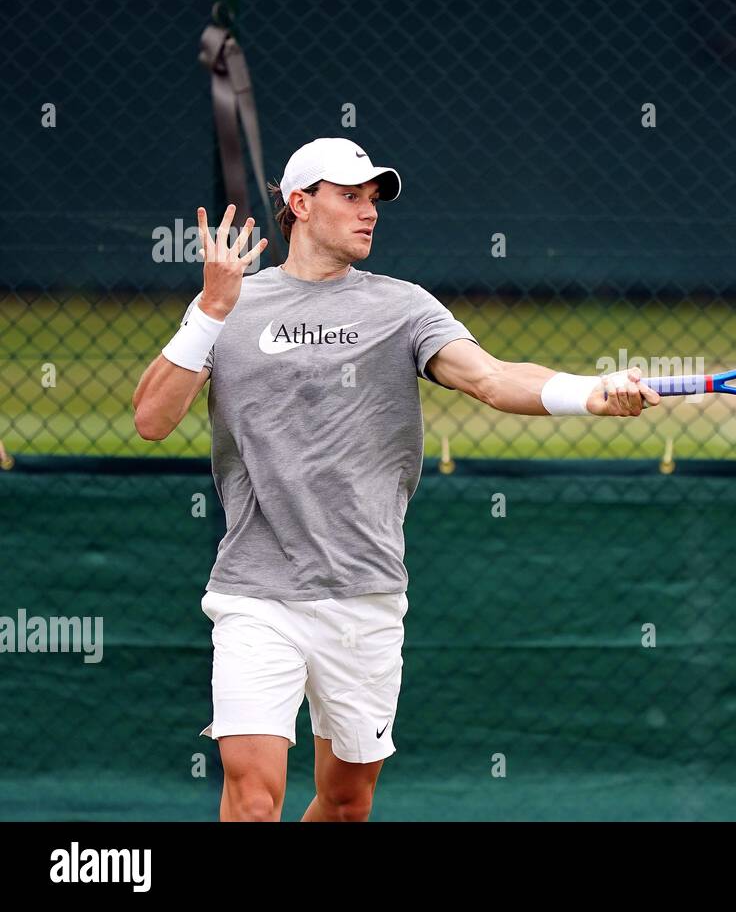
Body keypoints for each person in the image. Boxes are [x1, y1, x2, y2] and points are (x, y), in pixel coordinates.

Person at [132, 137, 660, 821]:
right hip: (257, 593)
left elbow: (493, 379)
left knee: (347, 802)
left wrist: (592, 390)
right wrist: (208, 310)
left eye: (373, 199)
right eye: (349, 197)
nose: (369, 212)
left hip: (366, 591)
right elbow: (151, 419)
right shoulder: (230, 306)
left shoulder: (404, 307)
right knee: (252, 798)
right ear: (300, 204)